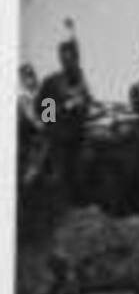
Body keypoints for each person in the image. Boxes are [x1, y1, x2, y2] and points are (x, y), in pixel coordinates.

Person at [37, 22, 94, 206]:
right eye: (65, 59)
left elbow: (87, 102)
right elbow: (44, 107)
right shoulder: (52, 82)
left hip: (79, 135)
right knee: (61, 175)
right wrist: (61, 111)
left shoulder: (81, 80)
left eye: (73, 58)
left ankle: (79, 206)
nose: (69, 62)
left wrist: (84, 105)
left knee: (81, 172)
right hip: (59, 138)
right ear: (61, 60)